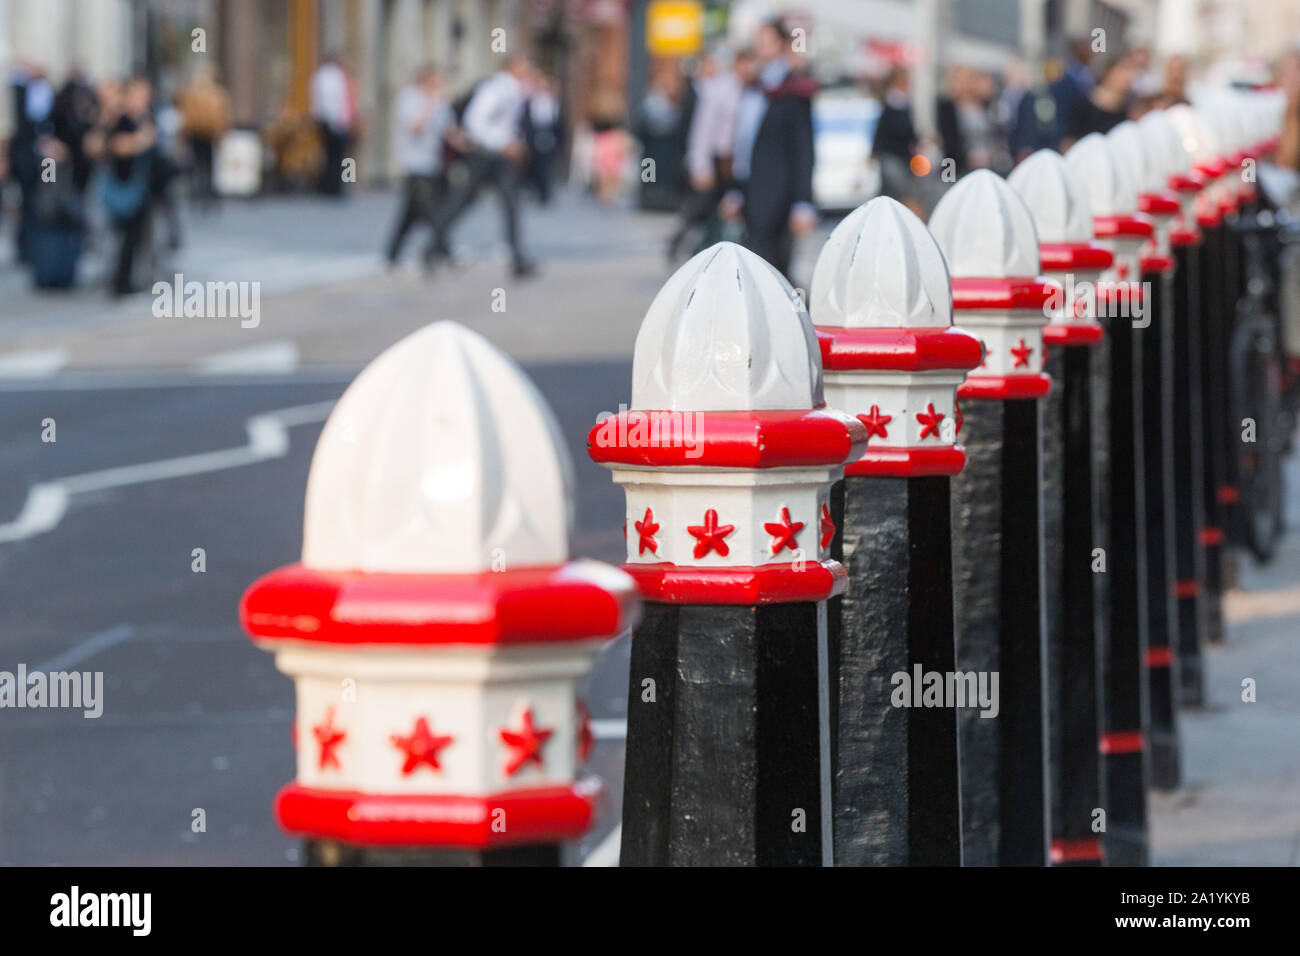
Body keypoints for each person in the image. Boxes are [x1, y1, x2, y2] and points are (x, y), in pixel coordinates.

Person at [723, 18, 816, 281]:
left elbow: (803, 149)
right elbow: (743, 145)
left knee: (776, 271)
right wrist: (735, 189)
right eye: (758, 41)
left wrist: (803, 202)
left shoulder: (794, 88)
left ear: (781, 44)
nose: (761, 47)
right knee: (757, 267)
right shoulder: (753, 87)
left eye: (767, 41)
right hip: (753, 192)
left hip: (781, 194)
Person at [428, 54, 536, 277]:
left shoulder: (513, 90)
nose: (528, 71)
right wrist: (503, 144)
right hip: (484, 155)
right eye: (524, 66)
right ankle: (433, 245)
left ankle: (518, 258)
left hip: (499, 158)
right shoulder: (496, 89)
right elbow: (475, 122)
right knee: (461, 200)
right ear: (512, 66)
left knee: (511, 204)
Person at [668, 48, 744, 260]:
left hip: (732, 160)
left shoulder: (738, 87)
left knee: (719, 210)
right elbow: (702, 130)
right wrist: (699, 165)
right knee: (705, 210)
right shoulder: (714, 90)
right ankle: (699, 251)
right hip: (717, 159)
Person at [385, 65, 455, 267]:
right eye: (438, 81)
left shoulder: (439, 101)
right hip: (414, 164)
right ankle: (444, 250)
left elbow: (449, 131)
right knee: (432, 210)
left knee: (410, 214)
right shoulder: (409, 98)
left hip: (432, 164)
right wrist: (431, 103)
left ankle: (392, 254)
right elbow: (416, 128)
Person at [102, 76, 157, 295]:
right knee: (122, 237)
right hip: (123, 185)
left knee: (138, 237)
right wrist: (143, 140)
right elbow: (116, 145)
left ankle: (134, 277)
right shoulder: (122, 119)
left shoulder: (145, 118)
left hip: (143, 186)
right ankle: (120, 282)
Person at [178, 64, 231, 211]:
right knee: (207, 166)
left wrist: (182, 135)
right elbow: (221, 118)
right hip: (208, 134)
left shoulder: (191, 93)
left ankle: (199, 195)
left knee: (197, 165)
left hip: (196, 133)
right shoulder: (218, 94)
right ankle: (206, 196)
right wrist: (221, 135)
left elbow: (185, 116)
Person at [872, 65, 923, 216]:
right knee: (903, 194)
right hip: (891, 157)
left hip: (902, 158)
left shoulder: (904, 103)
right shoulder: (893, 103)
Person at [310, 53, 357, 197]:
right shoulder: (334, 77)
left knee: (338, 155)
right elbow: (335, 102)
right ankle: (341, 184)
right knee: (342, 156)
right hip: (338, 121)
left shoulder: (322, 76)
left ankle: (342, 183)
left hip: (333, 120)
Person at [1068, 53, 1134, 140]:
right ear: (1108, 72)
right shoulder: (1084, 105)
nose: (1127, 76)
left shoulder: (1130, 106)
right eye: (1123, 70)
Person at [522, 69, 563, 204]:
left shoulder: (555, 103)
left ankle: (545, 193)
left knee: (547, 166)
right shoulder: (530, 102)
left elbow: (559, 124)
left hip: (549, 138)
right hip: (534, 138)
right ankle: (538, 190)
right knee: (536, 166)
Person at [1051, 36, 1097, 149]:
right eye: (1086, 47)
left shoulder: (1089, 74)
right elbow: (1063, 110)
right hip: (1070, 135)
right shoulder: (1070, 77)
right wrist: (1064, 136)